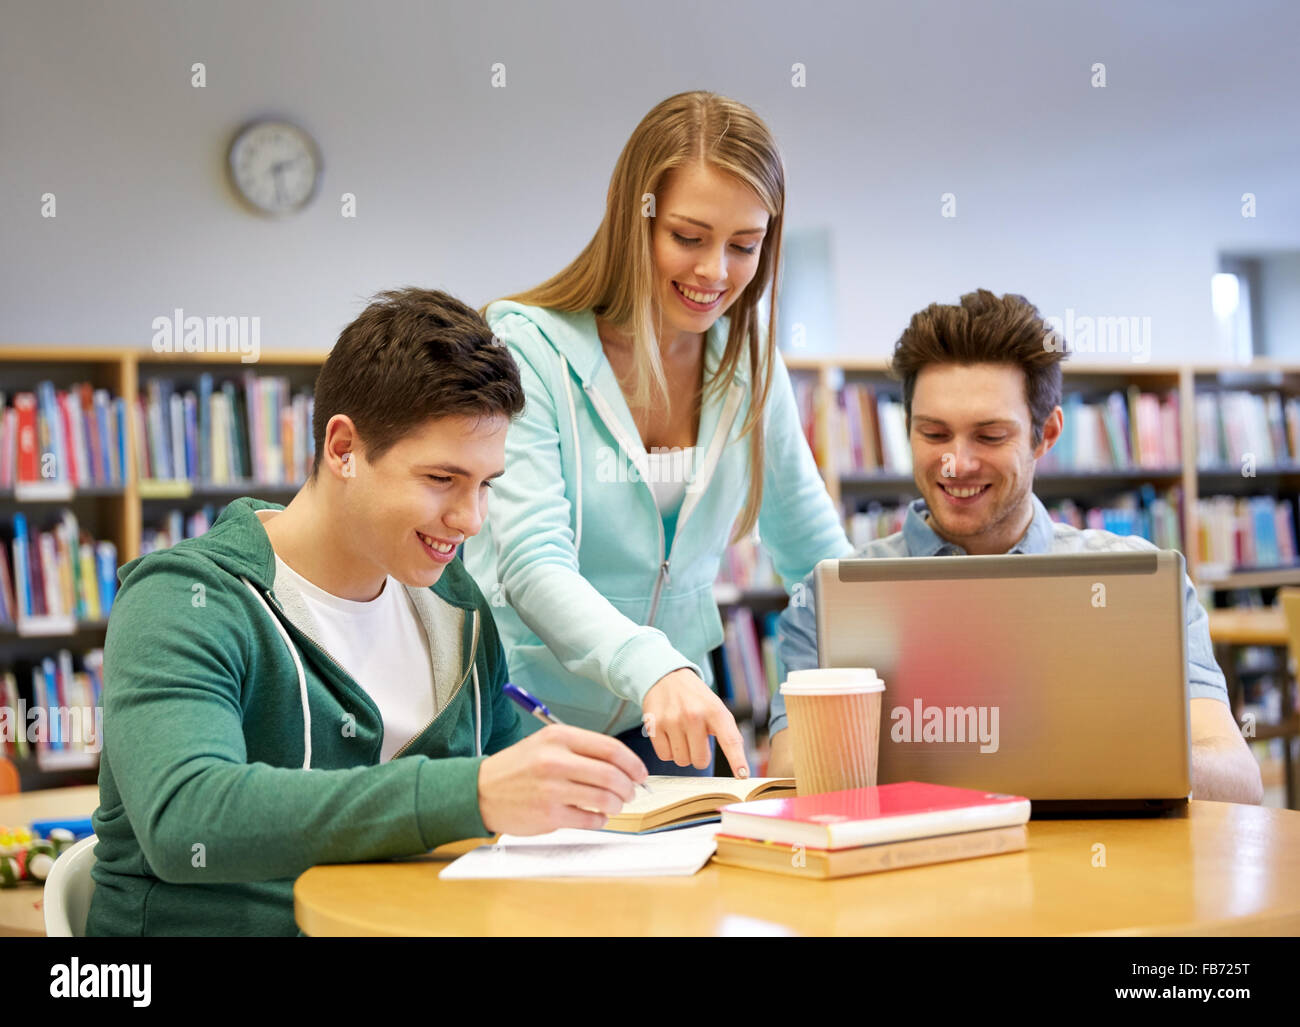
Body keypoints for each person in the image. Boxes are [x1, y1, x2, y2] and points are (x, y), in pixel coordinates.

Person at [87, 288, 649, 936]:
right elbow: (186, 816)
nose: (470, 519)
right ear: (343, 446)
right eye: (441, 479)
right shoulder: (185, 601)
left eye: (485, 483)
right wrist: (474, 793)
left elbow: (510, 766)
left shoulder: (453, 605)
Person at [465, 91, 852, 777]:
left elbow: (817, 557)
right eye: (688, 236)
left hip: (673, 727)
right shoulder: (530, 347)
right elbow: (531, 560)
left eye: (745, 245)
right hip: (524, 719)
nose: (715, 273)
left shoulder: (752, 361)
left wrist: (826, 693)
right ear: (633, 222)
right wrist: (653, 666)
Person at [767, 289, 1264, 804]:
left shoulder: (1140, 585)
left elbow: (1238, 782)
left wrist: (1078, 754)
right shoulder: (826, 600)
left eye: (989, 436)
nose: (956, 463)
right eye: (934, 434)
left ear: (1045, 434)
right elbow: (787, 780)